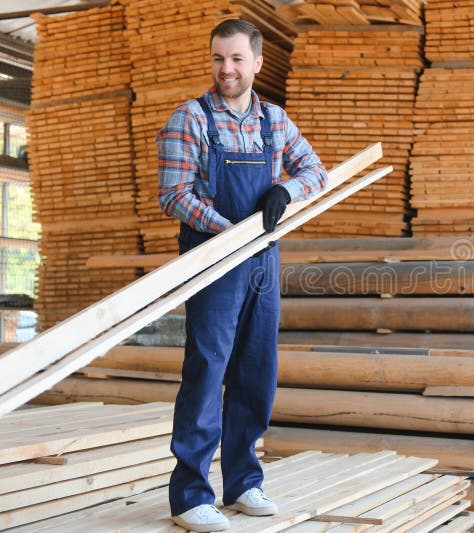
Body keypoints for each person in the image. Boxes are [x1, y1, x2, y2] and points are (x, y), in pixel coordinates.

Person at [156, 19, 327, 532]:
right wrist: (229, 231)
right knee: (207, 371)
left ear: (257, 63)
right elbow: (174, 195)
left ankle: (243, 482)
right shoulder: (191, 118)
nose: (225, 69)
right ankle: (190, 495)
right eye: (217, 58)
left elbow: (316, 171)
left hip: (262, 263)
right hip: (213, 258)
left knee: (256, 370)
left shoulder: (274, 121)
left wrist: (286, 191)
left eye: (235, 59)